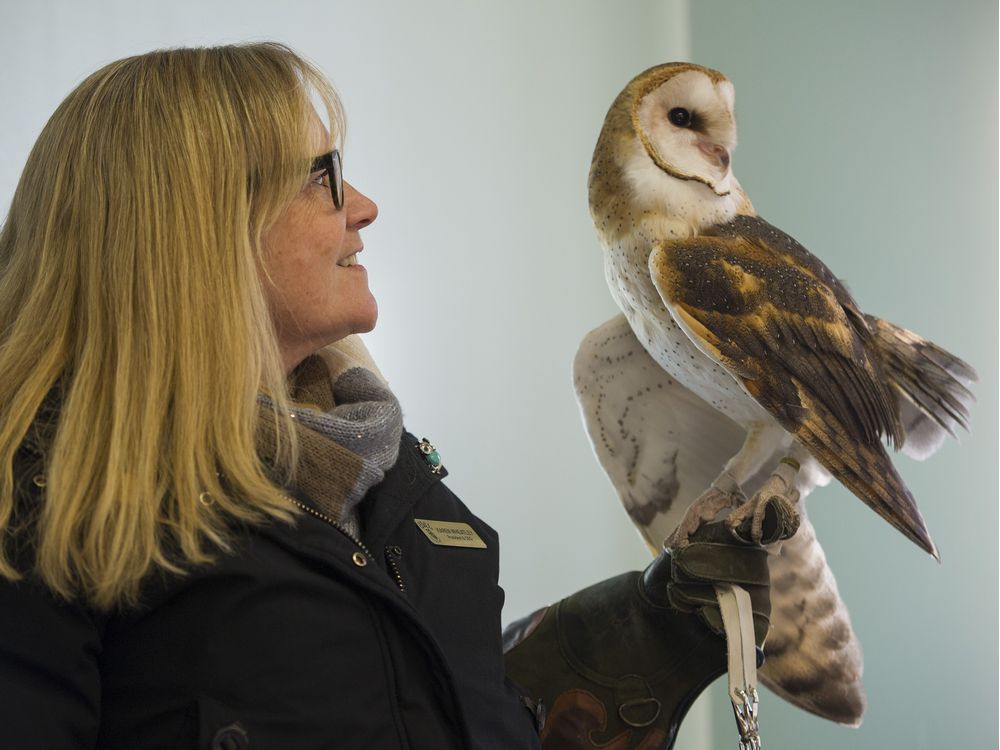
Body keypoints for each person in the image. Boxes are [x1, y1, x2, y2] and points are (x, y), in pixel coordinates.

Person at [0, 43, 793, 749]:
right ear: (194, 223)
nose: (363, 206)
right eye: (323, 176)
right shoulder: (41, 502)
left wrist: (646, 629)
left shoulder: (391, 478)